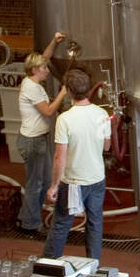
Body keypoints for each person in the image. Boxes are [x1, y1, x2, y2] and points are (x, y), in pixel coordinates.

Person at [44, 68, 111, 261]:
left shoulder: (65, 119)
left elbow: (60, 157)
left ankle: (48, 266)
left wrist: (54, 185)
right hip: (97, 178)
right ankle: (94, 265)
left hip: (73, 182)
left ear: (68, 91)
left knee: (61, 224)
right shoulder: (102, 114)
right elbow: (106, 146)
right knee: (95, 222)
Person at [16, 37, 68, 235]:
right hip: (32, 142)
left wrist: (54, 41)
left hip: (38, 139)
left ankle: (26, 217)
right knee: (35, 184)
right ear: (35, 70)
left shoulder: (31, 80)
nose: (47, 70)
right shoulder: (31, 88)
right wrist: (63, 93)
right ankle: (30, 224)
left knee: (44, 180)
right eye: (44, 68)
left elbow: (43, 58)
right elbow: (48, 111)